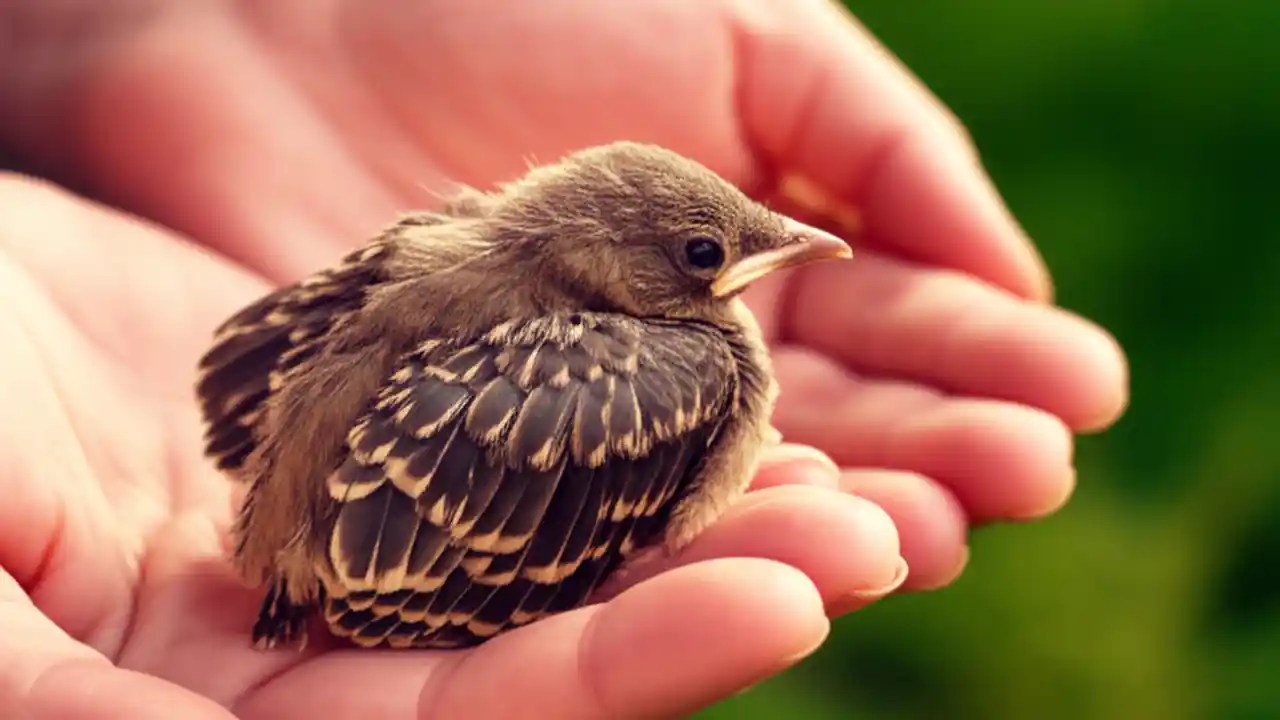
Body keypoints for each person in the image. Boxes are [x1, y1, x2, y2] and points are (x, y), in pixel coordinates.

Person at [0, 1, 1128, 718]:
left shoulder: (457, 254)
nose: (764, 258)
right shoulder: (676, 366)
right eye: (703, 253)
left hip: (306, 531)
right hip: (354, 569)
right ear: (614, 263)